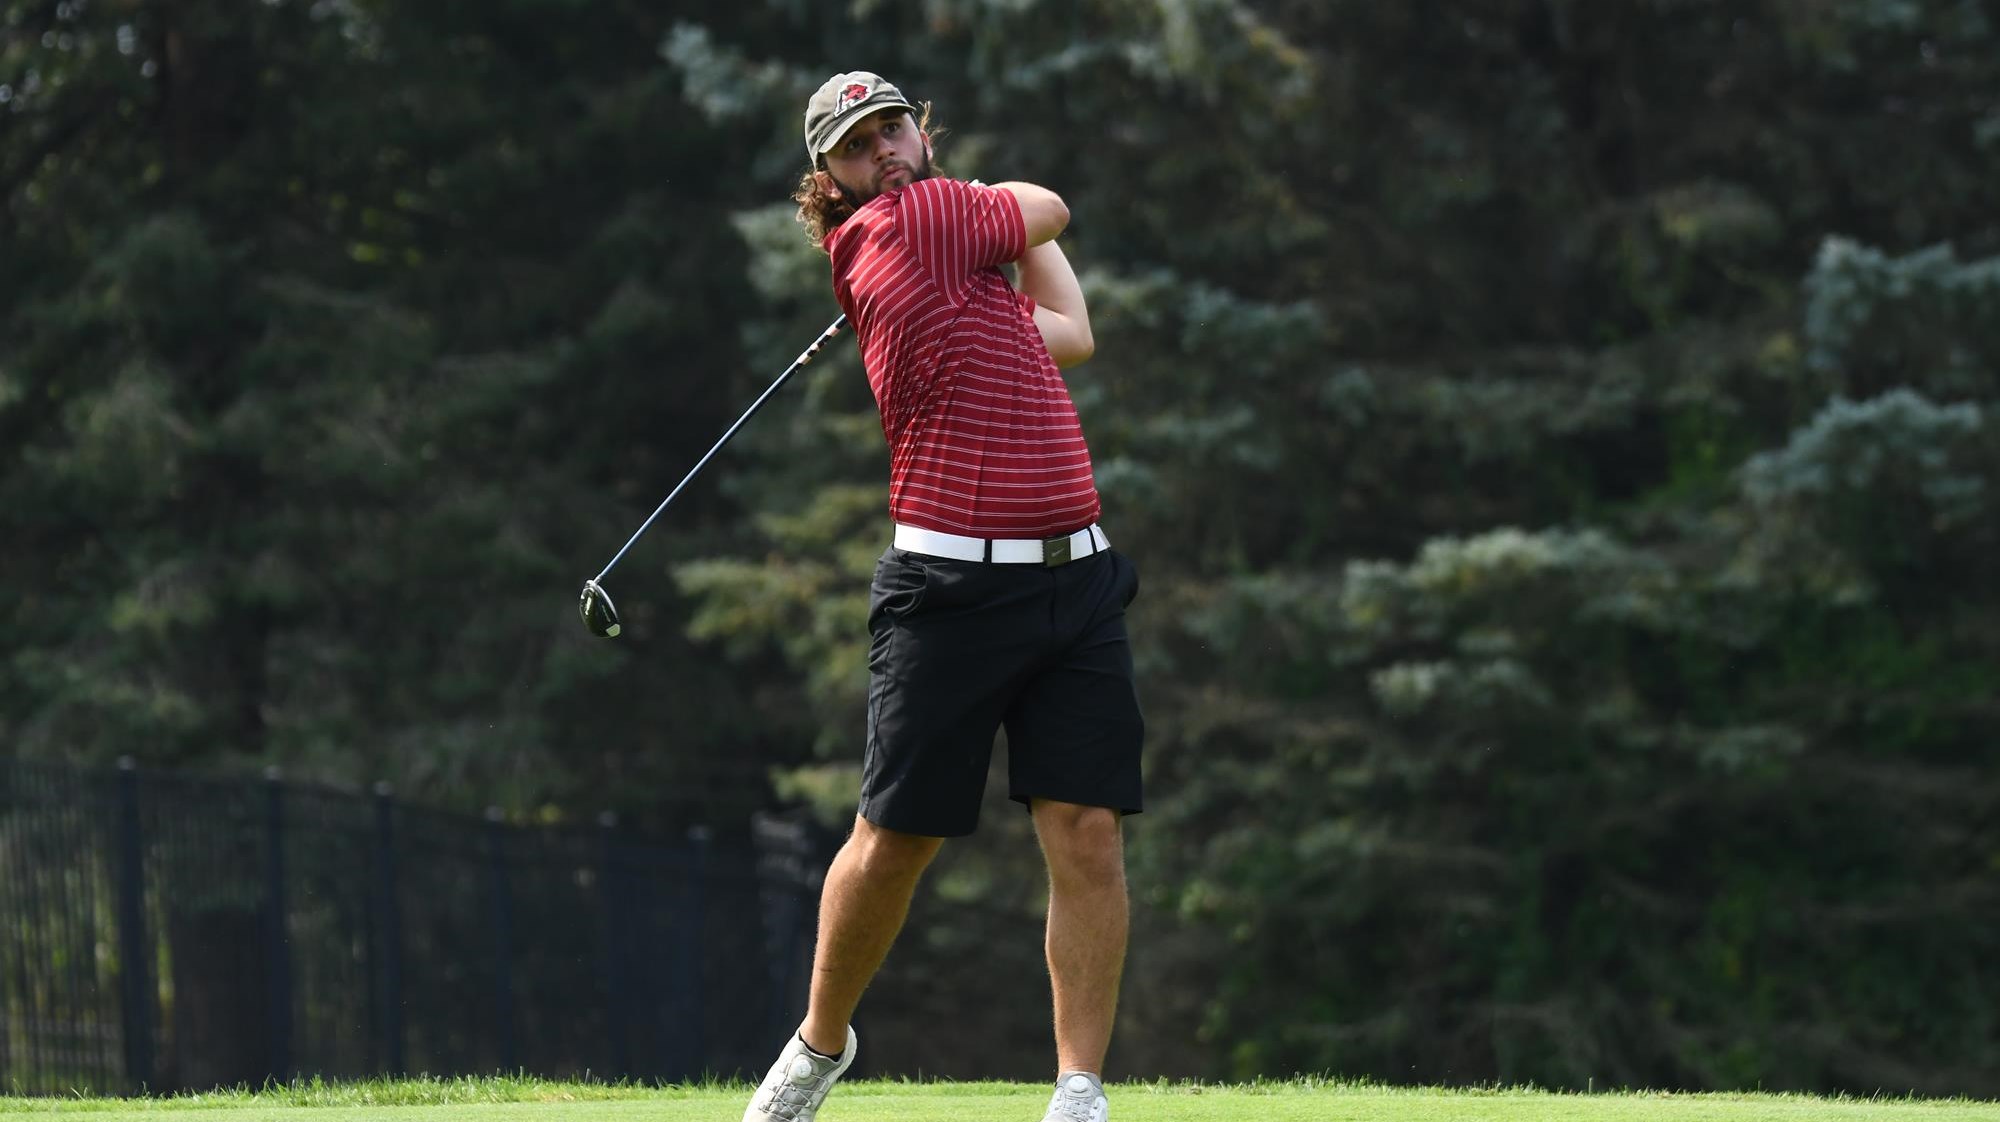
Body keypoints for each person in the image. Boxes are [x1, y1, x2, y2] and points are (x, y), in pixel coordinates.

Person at [742, 71, 1144, 1122]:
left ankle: (1077, 1089)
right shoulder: (908, 223)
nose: (883, 147)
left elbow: (1068, 327)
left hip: (1076, 581)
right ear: (826, 176)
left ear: (918, 128)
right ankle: (818, 1046)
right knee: (895, 838)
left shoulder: (954, 264)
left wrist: (993, 230)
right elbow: (1049, 207)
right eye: (857, 142)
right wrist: (982, 202)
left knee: (1087, 828)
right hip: (950, 589)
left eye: (894, 127)